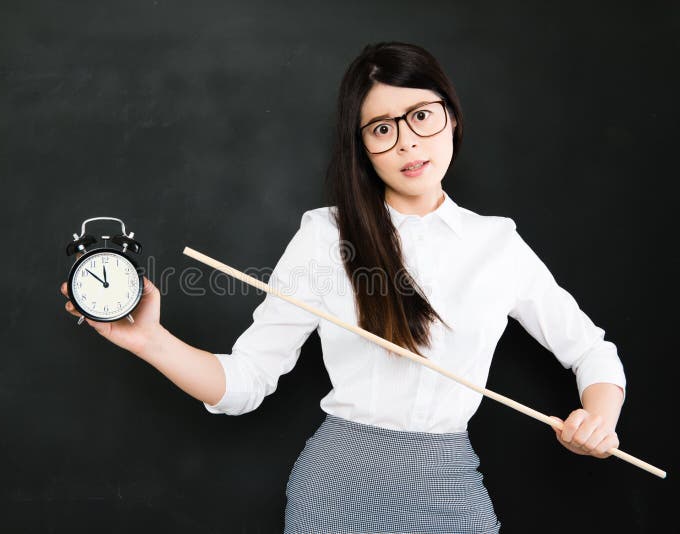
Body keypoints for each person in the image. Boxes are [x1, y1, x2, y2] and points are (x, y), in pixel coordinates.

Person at [60, 41, 626, 533]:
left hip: (452, 477)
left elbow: (594, 353)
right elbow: (244, 382)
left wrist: (597, 420)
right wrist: (150, 341)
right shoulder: (325, 235)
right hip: (341, 484)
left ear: (451, 116)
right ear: (362, 146)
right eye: (382, 128)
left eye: (421, 116)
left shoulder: (498, 245)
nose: (407, 143)